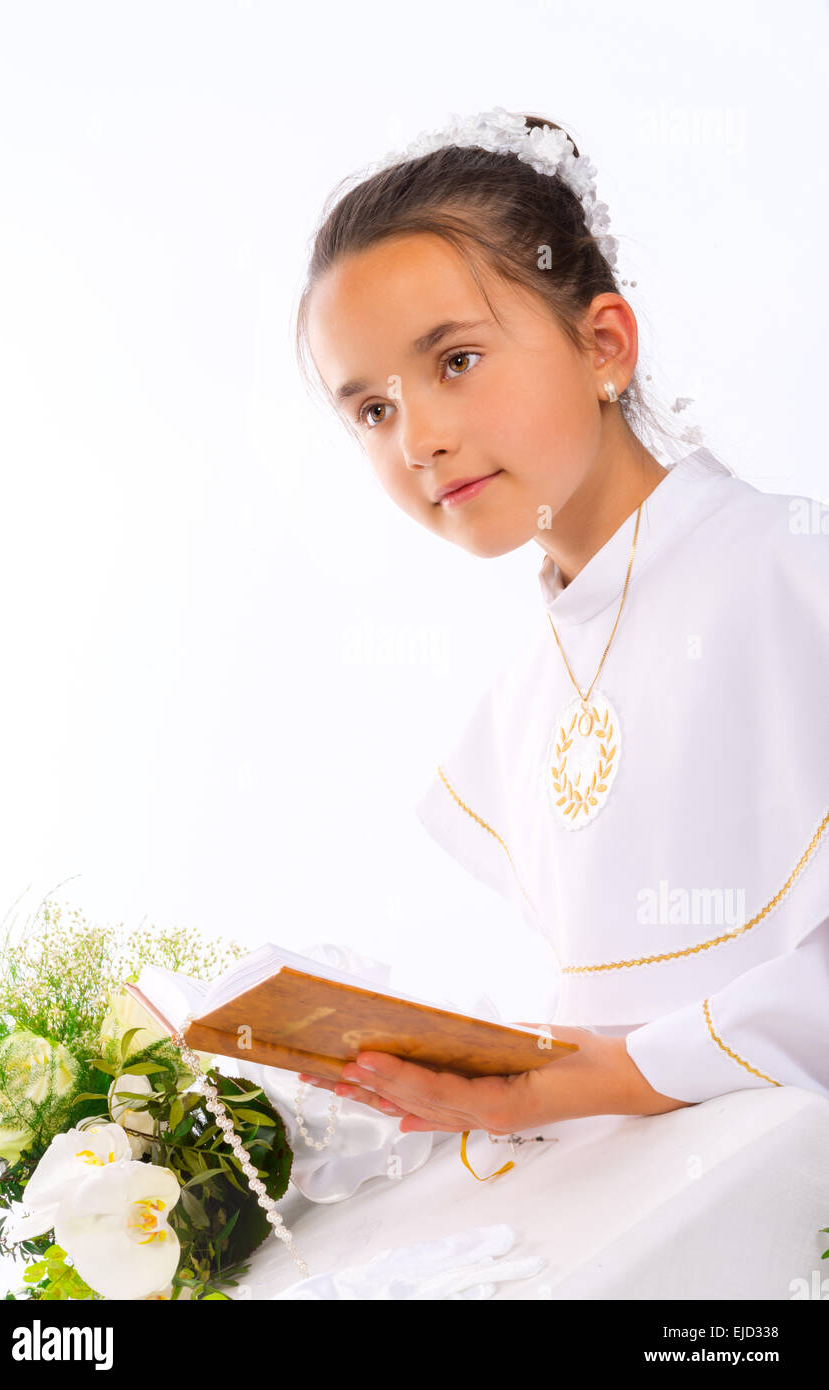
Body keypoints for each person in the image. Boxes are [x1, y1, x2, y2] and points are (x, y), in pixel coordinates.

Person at [290, 107, 829, 1141]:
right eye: (373, 410)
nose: (421, 439)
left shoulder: (788, 570)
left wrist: (571, 1084)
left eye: (454, 360)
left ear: (603, 345)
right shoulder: (524, 699)